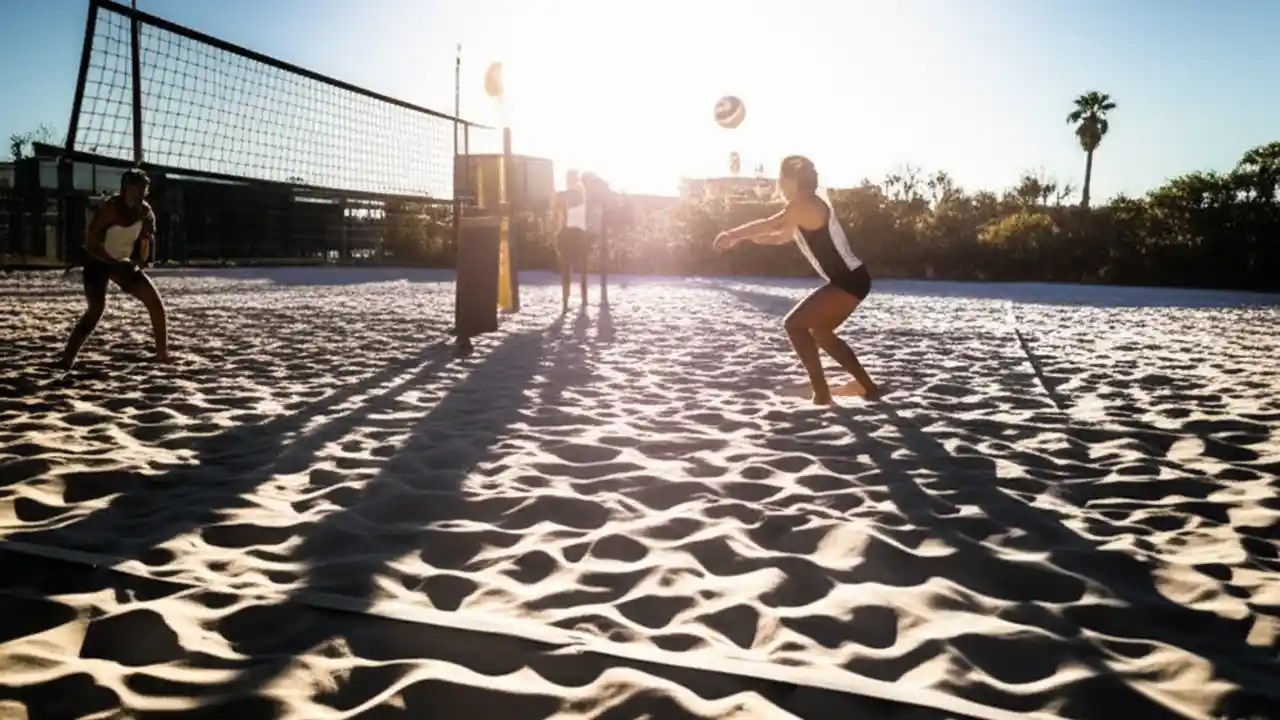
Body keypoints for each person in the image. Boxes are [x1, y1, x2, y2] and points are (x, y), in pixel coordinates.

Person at [714, 155, 879, 405]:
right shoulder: (806, 206)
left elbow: (771, 223)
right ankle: (868, 387)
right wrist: (744, 239)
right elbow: (781, 235)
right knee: (820, 332)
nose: (779, 184)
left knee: (794, 324)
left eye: (782, 179)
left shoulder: (804, 204)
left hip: (848, 281)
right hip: (852, 280)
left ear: (792, 180)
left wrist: (732, 234)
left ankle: (822, 393)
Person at [59, 168, 170, 370]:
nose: (140, 194)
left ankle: (162, 355)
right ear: (126, 188)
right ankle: (67, 358)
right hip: (97, 260)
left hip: (122, 263)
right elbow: (91, 243)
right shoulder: (110, 208)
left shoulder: (145, 212)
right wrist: (112, 262)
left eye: (143, 190)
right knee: (96, 310)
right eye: (137, 189)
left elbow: (144, 256)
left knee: (155, 303)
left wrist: (140, 252)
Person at [549, 169, 590, 312]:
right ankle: (581, 300)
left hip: (570, 233)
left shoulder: (570, 194)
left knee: (568, 270)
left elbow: (556, 214)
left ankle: (567, 301)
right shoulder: (580, 193)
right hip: (579, 233)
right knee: (580, 269)